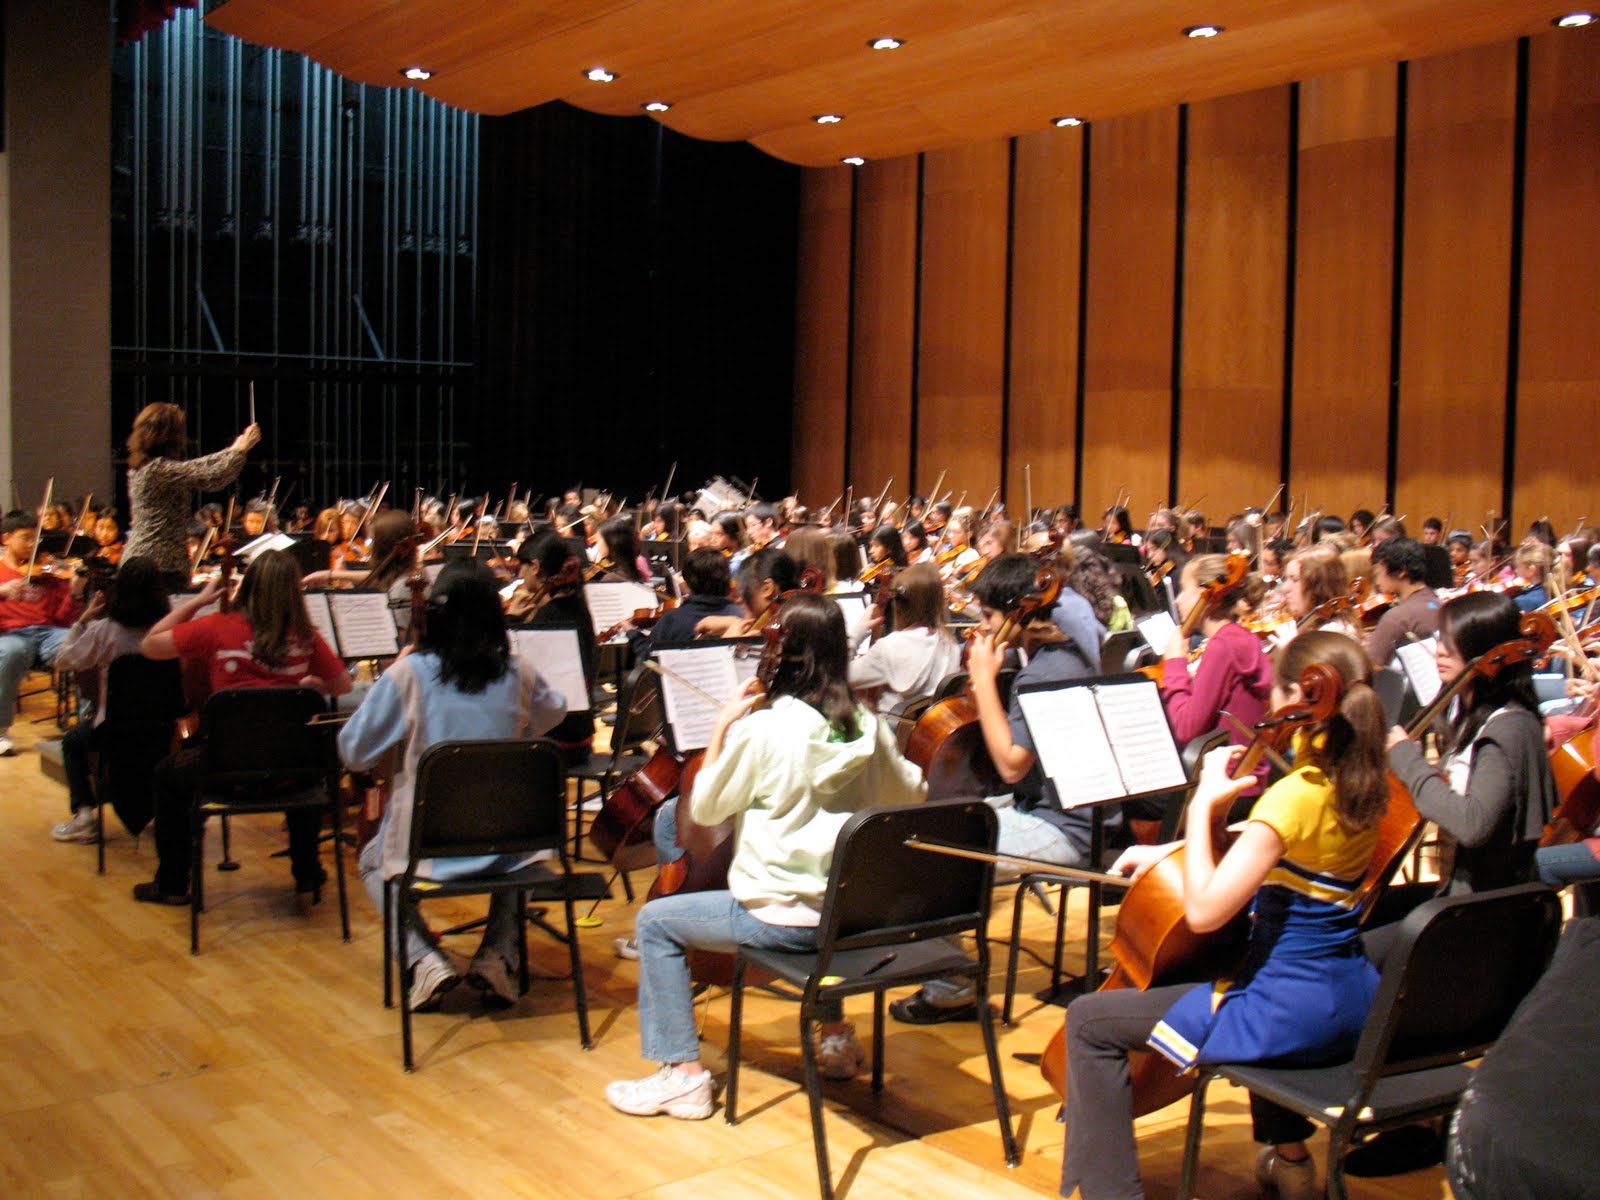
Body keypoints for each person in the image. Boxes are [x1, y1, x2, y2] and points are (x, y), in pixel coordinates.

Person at [1062, 632, 1389, 1200]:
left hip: (1287, 1011)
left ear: (1298, 696)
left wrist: (1203, 805)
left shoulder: (1294, 797)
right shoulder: (1361, 784)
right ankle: (1291, 1164)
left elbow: (1206, 910)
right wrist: (1171, 852)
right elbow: (1269, 848)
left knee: (1089, 1021)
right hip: (1353, 1000)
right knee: (1245, 961)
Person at [604, 593, 926, 1118]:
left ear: (783, 656)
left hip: (781, 922)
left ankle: (681, 1076)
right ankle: (836, 1037)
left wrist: (722, 727)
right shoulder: (868, 727)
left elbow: (706, 808)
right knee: (827, 884)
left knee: (656, 923)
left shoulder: (764, 730)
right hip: (852, 916)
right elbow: (913, 792)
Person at [339, 563, 566, 1009]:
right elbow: (553, 712)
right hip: (508, 843)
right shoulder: (518, 672)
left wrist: (395, 676)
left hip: (429, 847)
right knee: (524, 850)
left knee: (371, 862)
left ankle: (423, 959)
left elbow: (353, 752)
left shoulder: (410, 675)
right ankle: (498, 955)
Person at [891, 554, 1101, 1025]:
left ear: (1018, 611)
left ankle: (952, 992)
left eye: (987, 616)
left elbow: (1009, 765)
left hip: (1063, 825)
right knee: (941, 817)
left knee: (929, 853)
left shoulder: (1048, 670)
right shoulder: (1075, 634)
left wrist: (984, 680)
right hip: (1063, 805)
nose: (981, 627)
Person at [133, 549, 353, 905]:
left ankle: (172, 883)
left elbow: (149, 645)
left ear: (247, 587)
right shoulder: (306, 636)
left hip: (225, 773)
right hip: (291, 774)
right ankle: (307, 872)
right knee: (312, 761)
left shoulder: (215, 628)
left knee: (167, 775)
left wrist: (199, 602)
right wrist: (310, 682)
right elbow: (343, 686)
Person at [1384, 591, 1559, 902]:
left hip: (1484, 911)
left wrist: (1407, 758)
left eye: (1453, 644)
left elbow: (1472, 824)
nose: (1439, 652)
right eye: (1440, 640)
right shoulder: (1475, 716)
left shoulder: (1509, 728)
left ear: (1487, 652)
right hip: (1462, 894)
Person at [49, 556, 170, 843]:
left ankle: (85, 818)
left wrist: (82, 621)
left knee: (72, 742)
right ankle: (167, 813)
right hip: (163, 727)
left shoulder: (104, 630)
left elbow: (62, 660)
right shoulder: (170, 627)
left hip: (113, 729)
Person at [1160, 555, 1275, 796]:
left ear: (1207, 596)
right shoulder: (1240, 637)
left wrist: (1175, 664)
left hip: (1227, 785)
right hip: (1243, 778)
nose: (1178, 600)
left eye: (1184, 590)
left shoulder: (1224, 646)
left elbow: (1186, 730)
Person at [122, 402, 260, 587]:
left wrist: (234, 450)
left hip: (149, 563)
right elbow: (212, 475)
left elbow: (199, 466)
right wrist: (241, 449)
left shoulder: (147, 467)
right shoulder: (156, 470)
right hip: (155, 567)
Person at [0, 512, 86, 755]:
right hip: (9, 634)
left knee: (82, 645)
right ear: (6, 538)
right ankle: (0, 730)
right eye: (26, 538)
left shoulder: (48, 573)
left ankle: (87, 722)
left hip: (48, 633)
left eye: (35, 539)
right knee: (12, 653)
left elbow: (63, 619)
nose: (32, 545)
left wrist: (75, 594)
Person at [847, 562, 961, 717]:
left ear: (899, 605)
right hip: (926, 733)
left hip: (890, 736)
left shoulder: (889, 647)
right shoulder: (950, 643)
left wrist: (858, 630)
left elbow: (838, 676)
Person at [1363, 537, 1440, 667]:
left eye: (1377, 573)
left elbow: (1371, 667)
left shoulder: (1397, 617)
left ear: (1401, 571)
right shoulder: (1439, 603)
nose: (1376, 582)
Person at [646, 548, 742, 644]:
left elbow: (647, 656)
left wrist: (633, 634)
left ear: (687, 582)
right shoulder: (742, 617)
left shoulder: (671, 620)